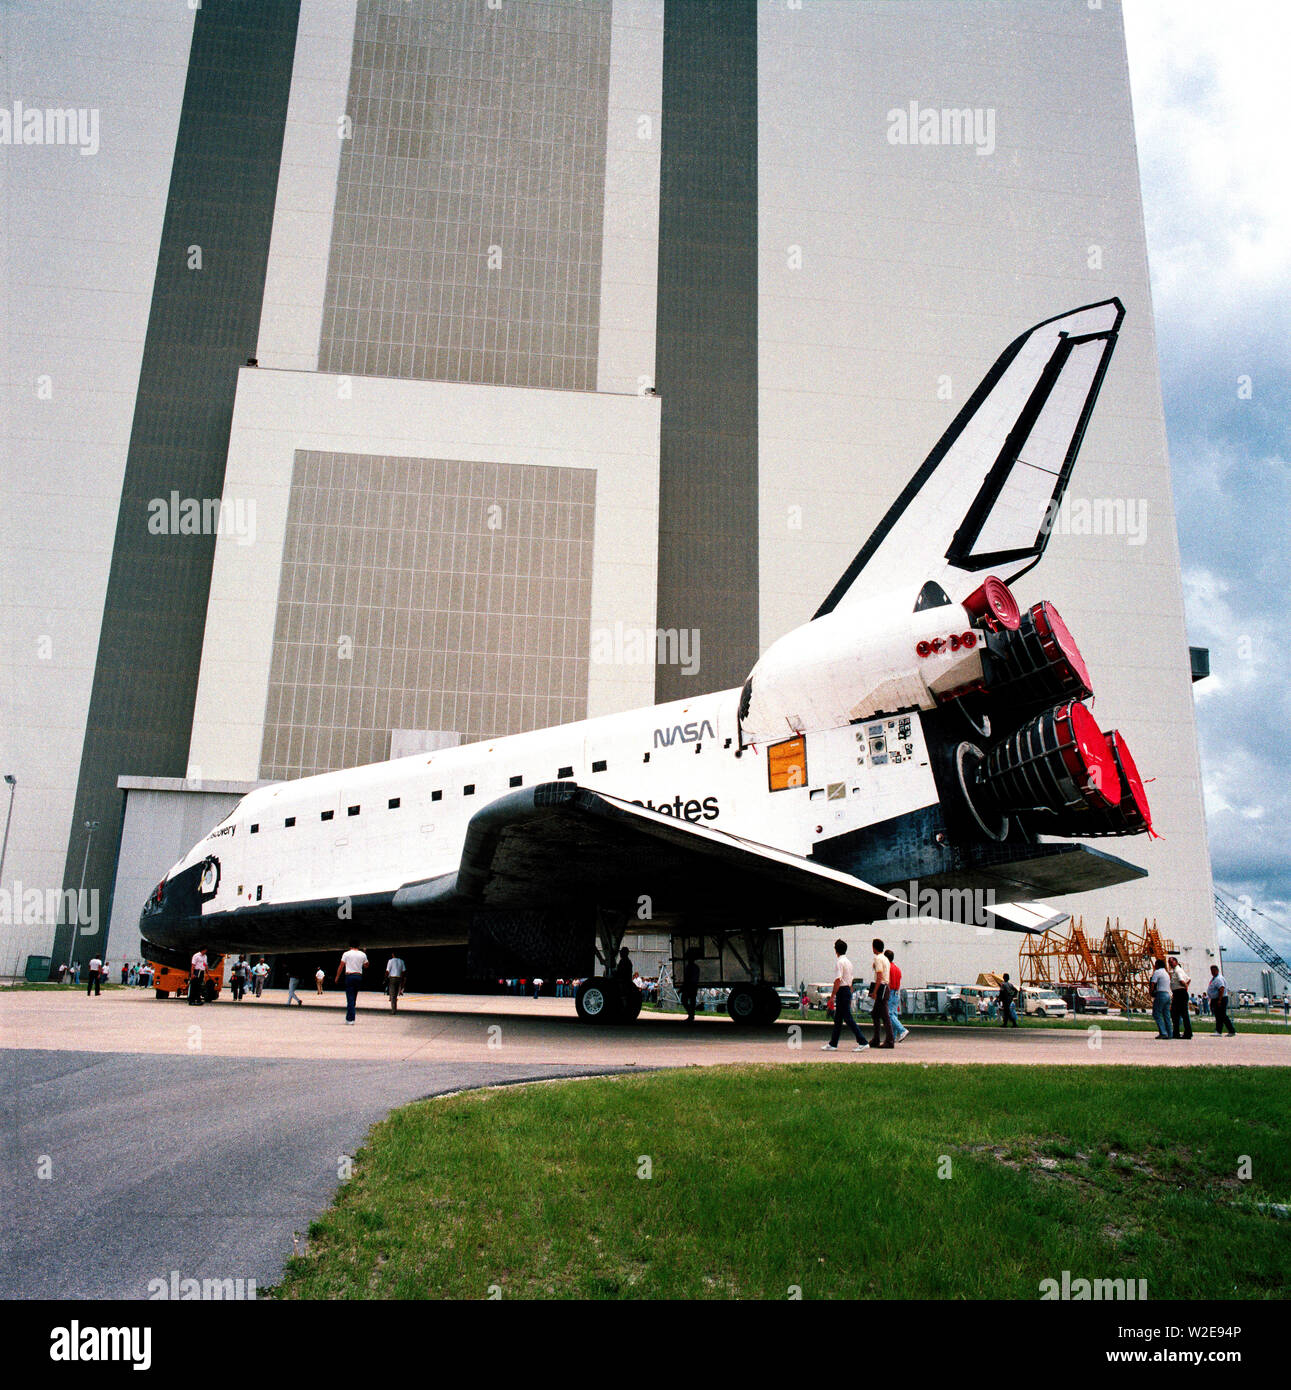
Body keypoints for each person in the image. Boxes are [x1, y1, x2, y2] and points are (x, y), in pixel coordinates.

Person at [821, 938, 868, 1051]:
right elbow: (850, 979)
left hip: (842, 990)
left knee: (847, 1017)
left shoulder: (839, 962)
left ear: (836, 950)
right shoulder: (848, 962)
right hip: (847, 989)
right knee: (838, 1019)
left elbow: (838, 980)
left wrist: (832, 996)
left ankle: (862, 1041)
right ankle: (833, 1044)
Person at [869, 938, 895, 1047]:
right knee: (875, 1014)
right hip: (885, 987)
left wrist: (875, 991)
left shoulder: (878, 958)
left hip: (881, 988)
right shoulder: (885, 958)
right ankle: (876, 1038)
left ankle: (889, 1040)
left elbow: (879, 976)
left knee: (884, 1015)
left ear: (874, 947)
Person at [335, 941, 368, 1024]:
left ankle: (350, 1019)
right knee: (354, 997)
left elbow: (341, 966)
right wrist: (364, 954)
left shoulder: (346, 954)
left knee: (350, 997)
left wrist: (337, 976)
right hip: (358, 976)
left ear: (350, 946)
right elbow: (366, 965)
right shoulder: (362, 954)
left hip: (349, 976)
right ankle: (349, 1016)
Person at [885, 948, 909, 1042]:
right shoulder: (897, 969)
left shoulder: (888, 968)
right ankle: (893, 1036)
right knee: (894, 1014)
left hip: (890, 992)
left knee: (889, 1014)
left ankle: (902, 1030)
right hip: (896, 993)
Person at [1207, 964, 1236, 1036]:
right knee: (1218, 1015)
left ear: (1217, 970)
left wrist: (1219, 1000)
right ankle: (1219, 1030)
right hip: (1215, 999)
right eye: (1211, 971)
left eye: (1213, 971)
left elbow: (1221, 988)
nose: (1212, 972)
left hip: (1220, 999)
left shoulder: (1219, 979)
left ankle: (1229, 1030)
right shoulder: (1214, 978)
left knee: (1222, 1015)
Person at [1168, 955, 1193, 1040]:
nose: (1170, 964)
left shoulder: (1178, 971)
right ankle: (1179, 1032)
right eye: (1169, 962)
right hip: (1179, 993)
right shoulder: (1178, 970)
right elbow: (1189, 979)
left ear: (1176, 962)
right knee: (1178, 1014)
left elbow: (1182, 981)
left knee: (1179, 1014)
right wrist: (1186, 986)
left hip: (1180, 993)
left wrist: (1185, 987)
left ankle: (1185, 1033)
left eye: (1171, 962)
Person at [1149, 957, 1171, 1037]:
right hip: (1167, 994)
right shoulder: (1166, 973)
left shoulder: (1157, 972)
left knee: (1156, 1014)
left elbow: (1153, 983)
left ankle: (1163, 1033)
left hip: (1160, 994)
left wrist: (1151, 992)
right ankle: (1170, 1033)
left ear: (1157, 965)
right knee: (1166, 1015)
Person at [681, 948, 700, 1023]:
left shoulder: (690, 967)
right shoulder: (695, 967)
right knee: (691, 1001)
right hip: (693, 986)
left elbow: (687, 979)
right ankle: (691, 1015)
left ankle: (691, 1015)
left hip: (690, 986)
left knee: (685, 1000)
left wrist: (684, 987)